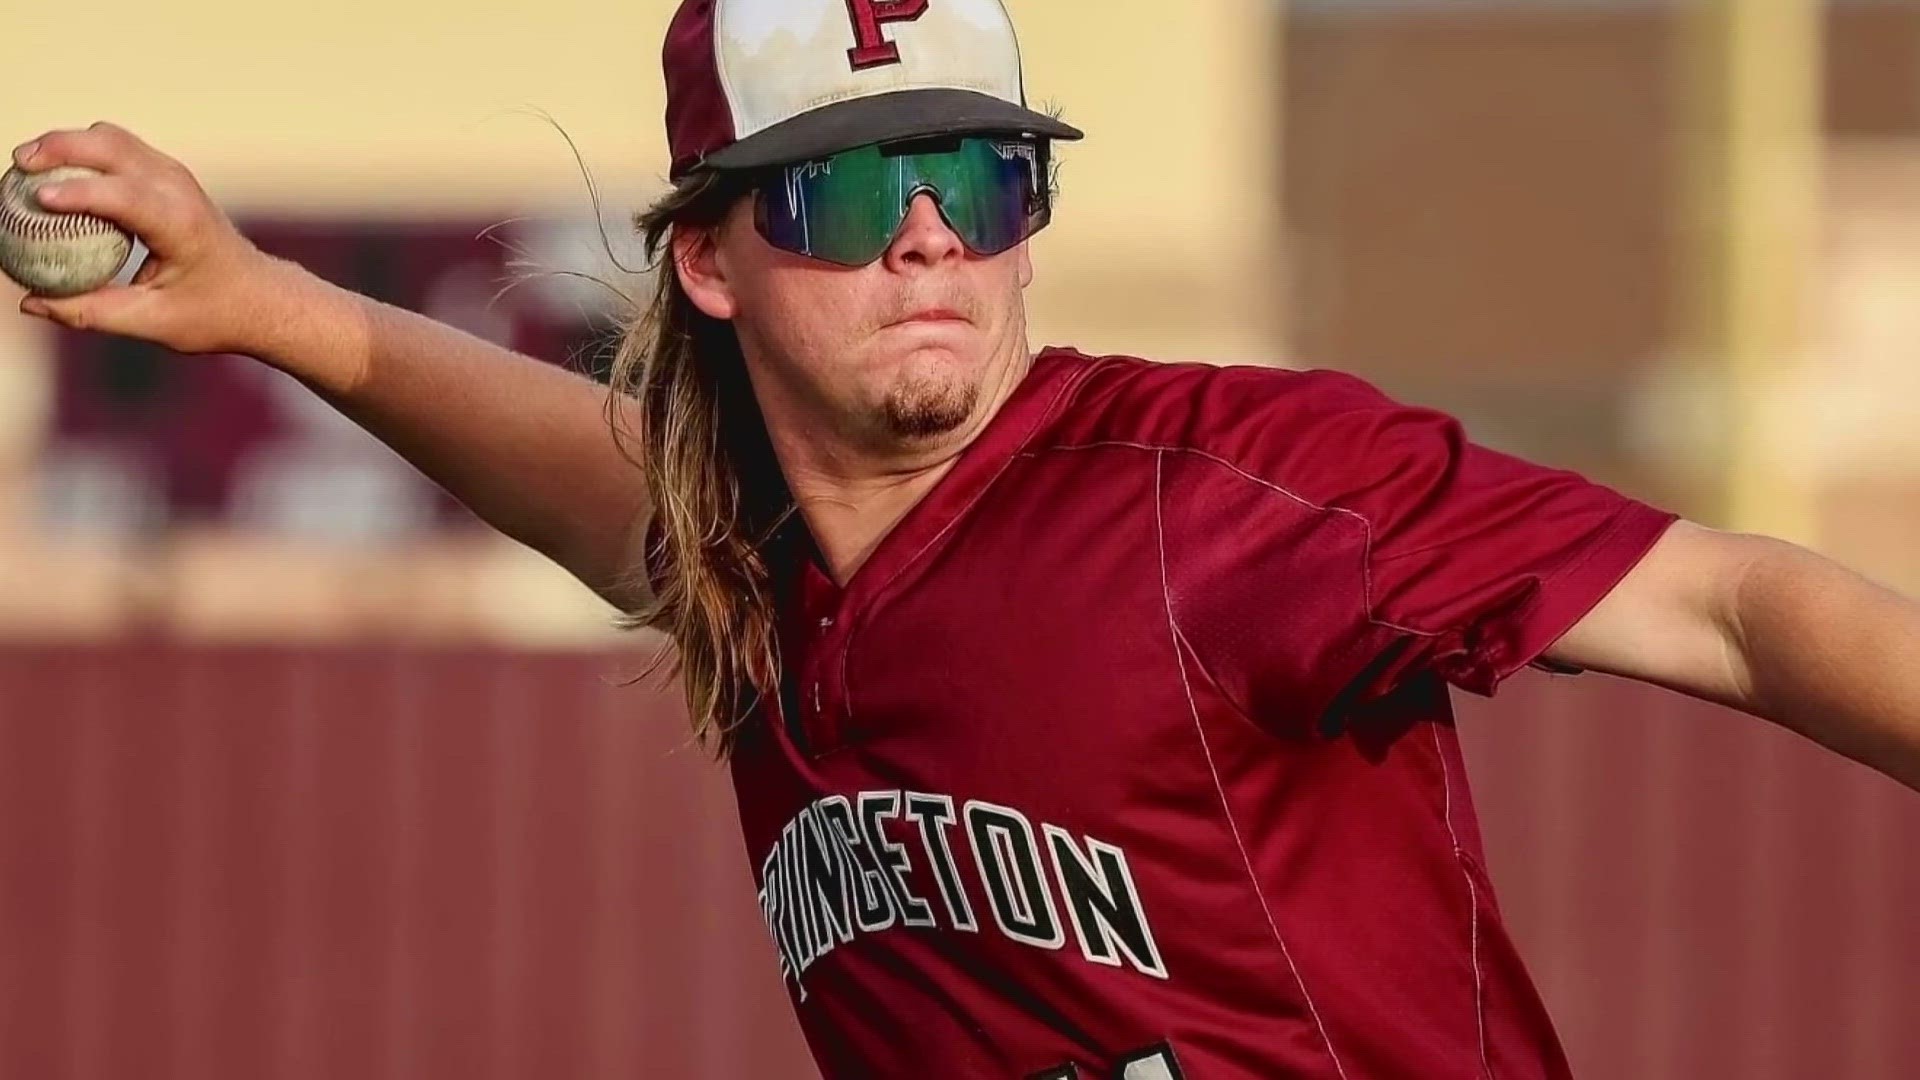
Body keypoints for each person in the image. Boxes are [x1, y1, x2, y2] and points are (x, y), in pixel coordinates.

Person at [10, 0, 1920, 1076]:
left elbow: (1739, 609)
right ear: (710, 259)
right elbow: (628, 498)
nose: (931, 237)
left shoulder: (1221, 486)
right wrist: (266, 303)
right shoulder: (761, 555)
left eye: (980, 178)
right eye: (854, 190)